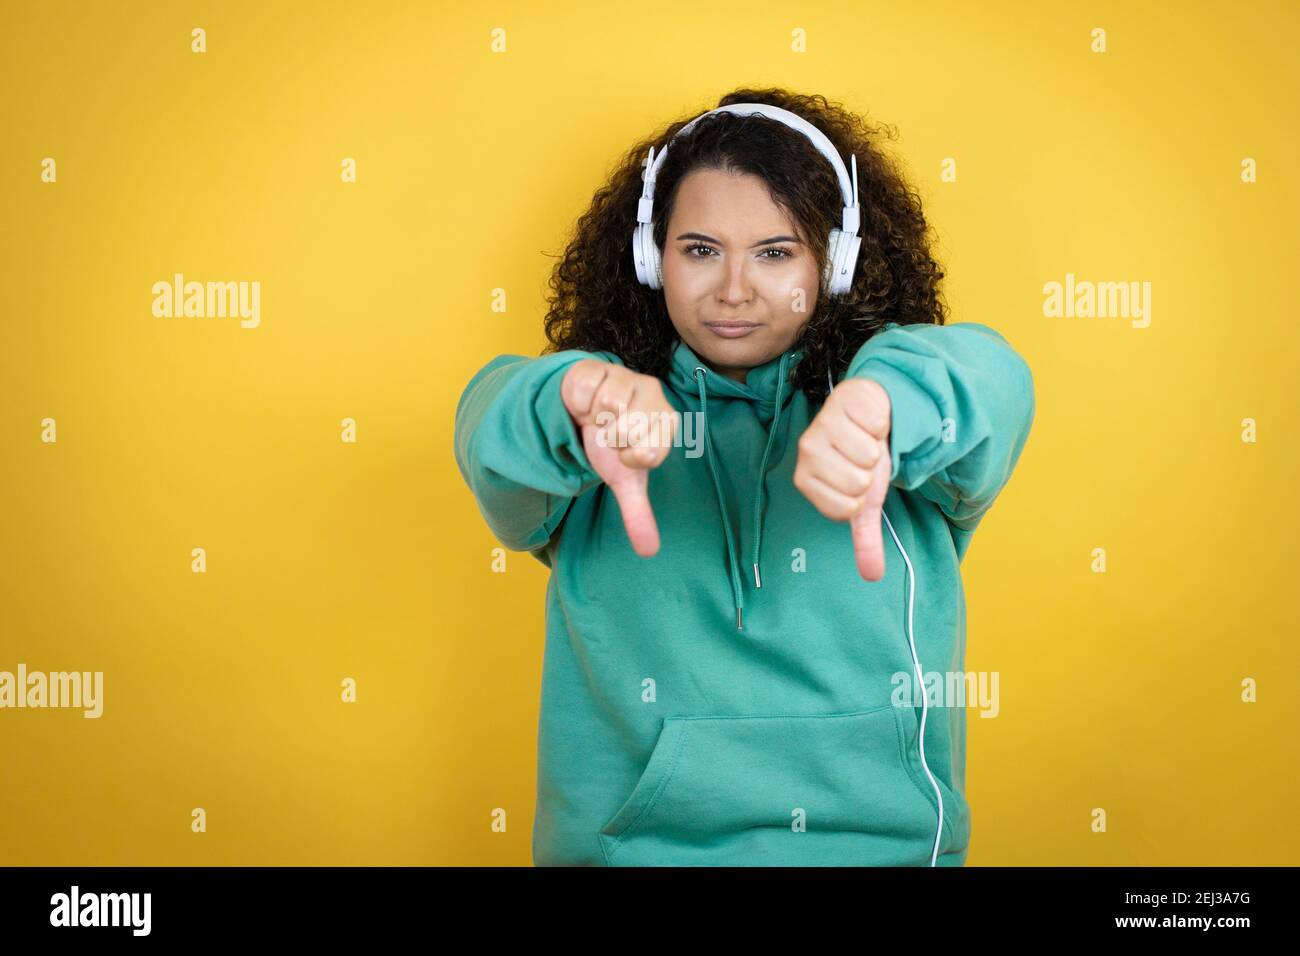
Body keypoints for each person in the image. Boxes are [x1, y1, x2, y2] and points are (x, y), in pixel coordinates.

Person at [454, 87, 1035, 866]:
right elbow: (489, 422)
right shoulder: (601, 437)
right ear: (648, 258)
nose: (733, 289)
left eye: (775, 252)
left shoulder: (905, 435)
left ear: (836, 266)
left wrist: (885, 407)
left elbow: (994, 376)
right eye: (700, 249)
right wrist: (573, 397)